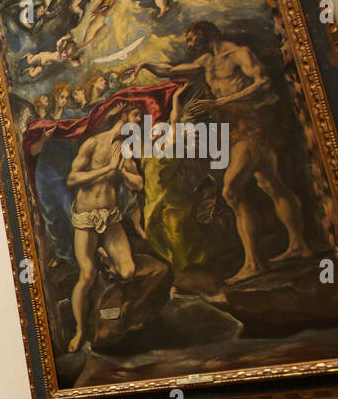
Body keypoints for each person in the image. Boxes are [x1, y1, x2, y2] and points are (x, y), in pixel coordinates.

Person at [129, 20, 310, 282]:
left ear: (208, 34)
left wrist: (221, 101)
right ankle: (299, 245)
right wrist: (146, 65)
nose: (190, 43)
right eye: (188, 40)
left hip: (253, 122)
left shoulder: (239, 54)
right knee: (270, 182)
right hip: (235, 127)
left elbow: (263, 82)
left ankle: (254, 262)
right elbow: (169, 69)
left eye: (192, 37)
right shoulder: (206, 62)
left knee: (231, 190)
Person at [65, 102, 144, 352]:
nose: (140, 122)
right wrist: (107, 169)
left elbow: (139, 184)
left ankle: (106, 258)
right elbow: (72, 178)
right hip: (86, 217)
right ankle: (79, 330)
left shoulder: (126, 149)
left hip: (110, 217)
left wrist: (121, 173)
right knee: (87, 275)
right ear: (123, 117)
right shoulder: (93, 143)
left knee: (128, 272)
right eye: (137, 116)